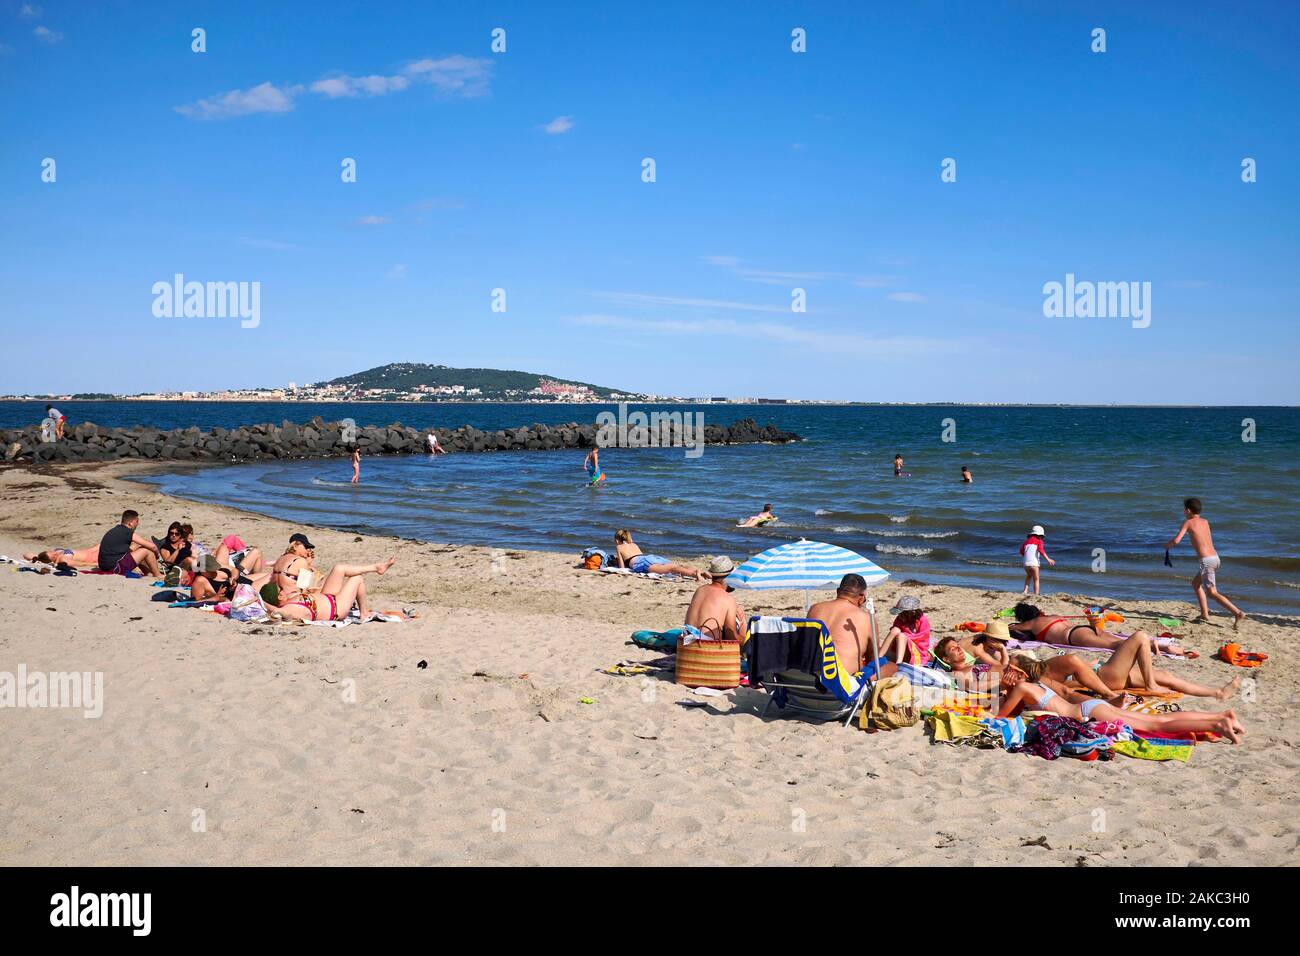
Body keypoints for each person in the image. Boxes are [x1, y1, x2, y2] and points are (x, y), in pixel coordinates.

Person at [996, 660, 1245, 744]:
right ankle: (1220, 718)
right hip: (1091, 708)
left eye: (1009, 670)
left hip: (1089, 713)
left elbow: (1000, 718)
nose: (1005, 674)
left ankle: (1217, 725)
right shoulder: (1035, 685)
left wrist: (1005, 689)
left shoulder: (1020, 688)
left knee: (1156, 726)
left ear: (1019, 675)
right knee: (1156, 720)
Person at [1164, 497, 1245, 628]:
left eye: (1184, 509)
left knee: (1212, 592)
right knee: (1196, 584)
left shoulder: (1188, 522)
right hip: (1215, 558)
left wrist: (1168, 545)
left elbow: (1177, 540)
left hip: (1206, 561)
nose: (1183, 512)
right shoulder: (1205, 521)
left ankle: (1237, 612)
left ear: (1188, 510)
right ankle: (1204, 614)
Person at [1007, 602, 1186, 656]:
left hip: (1073, 637)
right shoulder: (1050, 617)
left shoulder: (1032, 623)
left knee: (1116, 645)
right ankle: (1158, 644)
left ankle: (1161, 647)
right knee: (1117, 640)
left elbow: (1012, 628)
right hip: (1081, 629)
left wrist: (1014, 624)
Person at [272, 554, 397, 622]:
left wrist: (316, 583)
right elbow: (279, 612)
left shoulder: (291, 596)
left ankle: (377, 567)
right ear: (279, 598)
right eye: (280, 591)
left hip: (326, 596)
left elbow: (310, 591)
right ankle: (363, 613)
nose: (282, 590)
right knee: (357, 578)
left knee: (339, 568)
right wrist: (263, 603)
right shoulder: (289, 607)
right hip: (336, 608)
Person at [808, 573, 878, 675]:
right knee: (892, 667)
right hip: (842, 684)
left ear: (838, 591)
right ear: (862, 597)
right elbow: (873, 658)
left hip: (807, 678)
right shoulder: (867, 618)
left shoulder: (815, 608)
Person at [684, 556, 745, 641]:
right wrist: (743, 622)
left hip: (685, 645)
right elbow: (731, 636)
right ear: (729, 577)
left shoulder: (700, 590)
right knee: (739, 621)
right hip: (707, 647)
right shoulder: (728, 599)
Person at [612, 529, 705, 580]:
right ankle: (700, 571)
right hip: (650, 557)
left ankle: (695, 574)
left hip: (642, 563)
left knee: (672, 569)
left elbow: (622, 568)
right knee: (676, 565)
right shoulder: (634, 544)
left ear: (617, 540)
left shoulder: (619, 547)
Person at [96, 510, 161, 577]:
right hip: (115, 568)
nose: (138, 524)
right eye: (137, 521)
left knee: (137, 546)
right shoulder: (127, 532)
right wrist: (157, 555)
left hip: (105, 566)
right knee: (146, 550)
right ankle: (158, 574)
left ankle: (147, 572)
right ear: (130, 523)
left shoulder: (116, 530)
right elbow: (153, 547)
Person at [878, 595, 932, 664]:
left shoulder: (922, 620)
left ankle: (899, 663)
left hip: (916, 653)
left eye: (902, 614)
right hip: (900, 650)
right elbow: (894, 634)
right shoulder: (899, 619)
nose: (899, 616)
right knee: (895, 630)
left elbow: (922, 639)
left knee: (901, 635)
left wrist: (904, 636)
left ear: (912, 613)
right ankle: (879, 657)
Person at [1020, 525, 1054, 594]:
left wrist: (1026, 555)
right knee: (1036, 579)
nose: (1042, 538)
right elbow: (1041, 550)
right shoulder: (1039, 541)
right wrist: (1048, 559)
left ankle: (1025, 591)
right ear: (1039, 535)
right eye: (1042, 536)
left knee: (1029, 576)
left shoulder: (1026, 542)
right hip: (1034, 563)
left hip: (1026, 564)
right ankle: (1036, 593)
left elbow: (1021, 551)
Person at [23, 544, 99, 567]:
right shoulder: (63, 559)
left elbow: (26, 554)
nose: (55, 553)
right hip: (94, 557)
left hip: (91, 550)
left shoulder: (44, 557)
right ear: (52, 560)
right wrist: (96, 564)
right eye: (54, 556)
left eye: (51, 552)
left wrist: (35, 558)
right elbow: (81, 564)